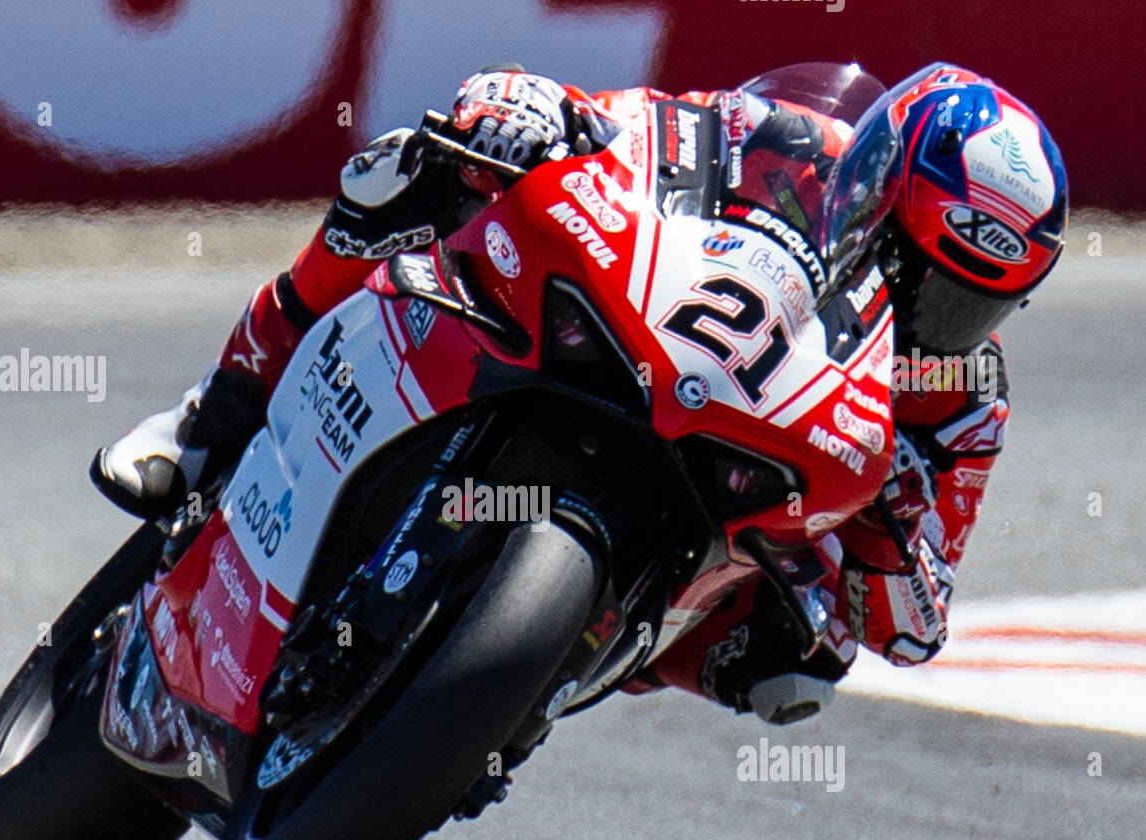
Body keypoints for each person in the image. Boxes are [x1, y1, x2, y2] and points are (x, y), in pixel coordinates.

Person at [91, 63, 1067, 723]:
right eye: (924, 270)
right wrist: (540, 113)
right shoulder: (790, 145)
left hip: (733, 503)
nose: (936, 312)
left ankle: (521, 686)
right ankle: (214, 410)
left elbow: (912, 625)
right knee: (410, 173)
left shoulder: (960, 395)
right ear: (877, 186)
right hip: (634, 330)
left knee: (804, 657)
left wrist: (896, 510)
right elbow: (644, 130)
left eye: (973, 302)